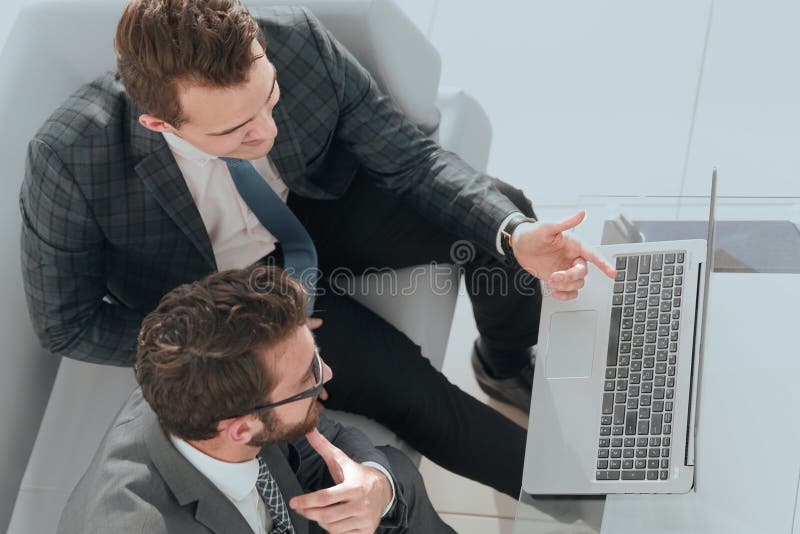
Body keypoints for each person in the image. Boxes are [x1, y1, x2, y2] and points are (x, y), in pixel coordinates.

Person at [21, 0, 615, 498]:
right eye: (234, 131)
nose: (266, 133)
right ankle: (591, 494)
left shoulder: (294, 39)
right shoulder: (69, 160)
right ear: (160, 125)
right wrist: (234, 345)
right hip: (231, 298)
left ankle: (504, 362)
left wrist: (511, 233)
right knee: (416, 394)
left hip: (316, 206)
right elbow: (67, 325)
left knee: (502, 212)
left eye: (268, 99)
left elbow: (410, 160)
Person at [58, 266, 455, 534]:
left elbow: (327, 442)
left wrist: (376, 487)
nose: (327, 375)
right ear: (241, 428)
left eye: (315, 357)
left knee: (397, 474)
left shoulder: (198, 387)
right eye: (309, 376)